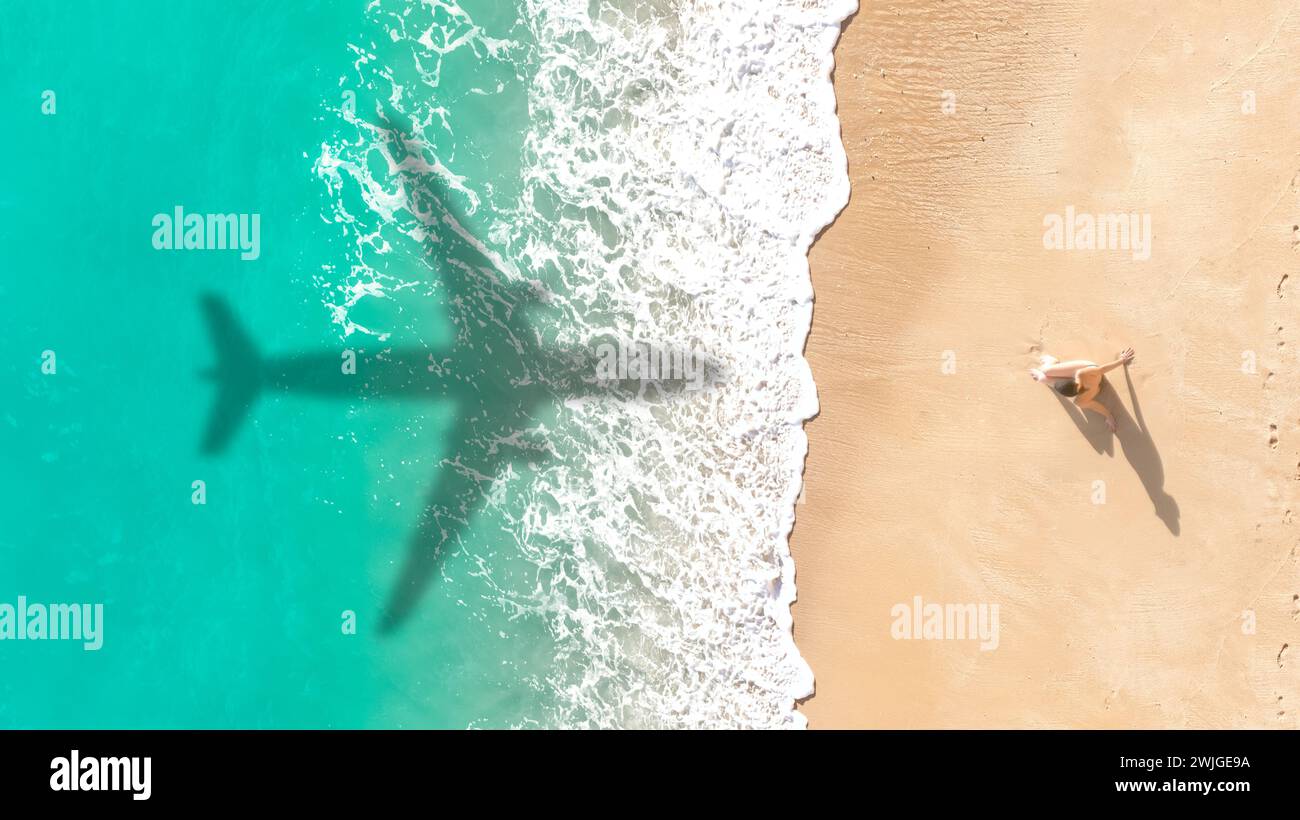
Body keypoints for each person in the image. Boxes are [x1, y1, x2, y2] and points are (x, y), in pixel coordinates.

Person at [1030, 347, 1135, 431]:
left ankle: (1051, 362)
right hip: (1091, 376)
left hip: (1087, 369)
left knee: (1044, 372)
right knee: (1044, 375)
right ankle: (1045, 374)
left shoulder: (1080, 401)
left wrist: (1109, 417)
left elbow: (1097, 407)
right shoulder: (1082, 378)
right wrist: (1122, 360)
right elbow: (1102, 370)